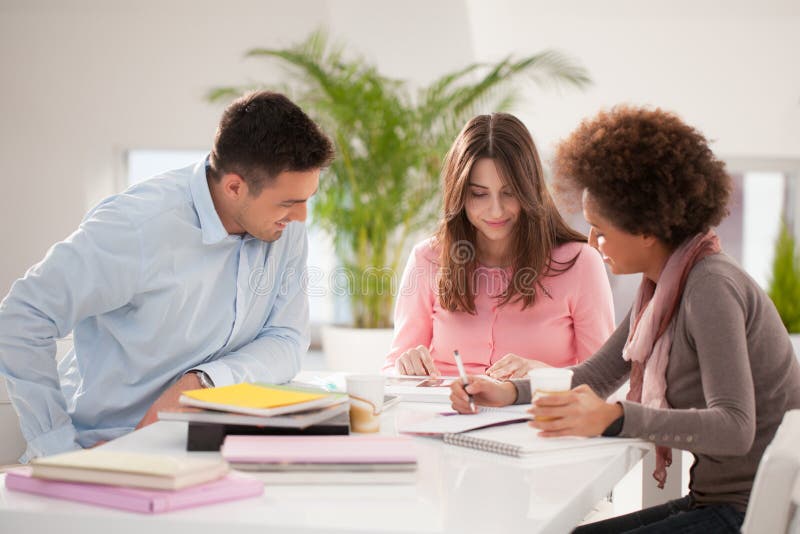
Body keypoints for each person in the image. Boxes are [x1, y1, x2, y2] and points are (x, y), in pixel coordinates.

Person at [450, 106, 800, 533]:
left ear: (646, 228)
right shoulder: (666, 285)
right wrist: (507, 392)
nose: (594, 244)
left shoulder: (710, 288)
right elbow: (597, 374)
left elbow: (735, 429)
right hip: (714, 499)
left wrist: (616, 417)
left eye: (601, 229)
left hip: (745, 514)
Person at [0, 90, 335, 462]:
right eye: (289, 203)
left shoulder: (283, 226)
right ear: (235, 186)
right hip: (106, 448)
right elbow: (22, 317)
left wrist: (202, 382)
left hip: (210, 449)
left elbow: (286, 338)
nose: (303, 218)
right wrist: (58, 450)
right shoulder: (137, 227)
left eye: (308, 199)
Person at [384, 113, 614, 379]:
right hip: (446, 415)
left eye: (510, 192)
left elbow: (602, 381)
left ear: (530, 190)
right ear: (459, 194)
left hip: (537, 416)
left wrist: (544, 375)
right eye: (479, 194)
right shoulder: (427, 259)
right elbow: (391, 368)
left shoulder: (580, 264)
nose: (496, 210)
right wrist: (404, 367)